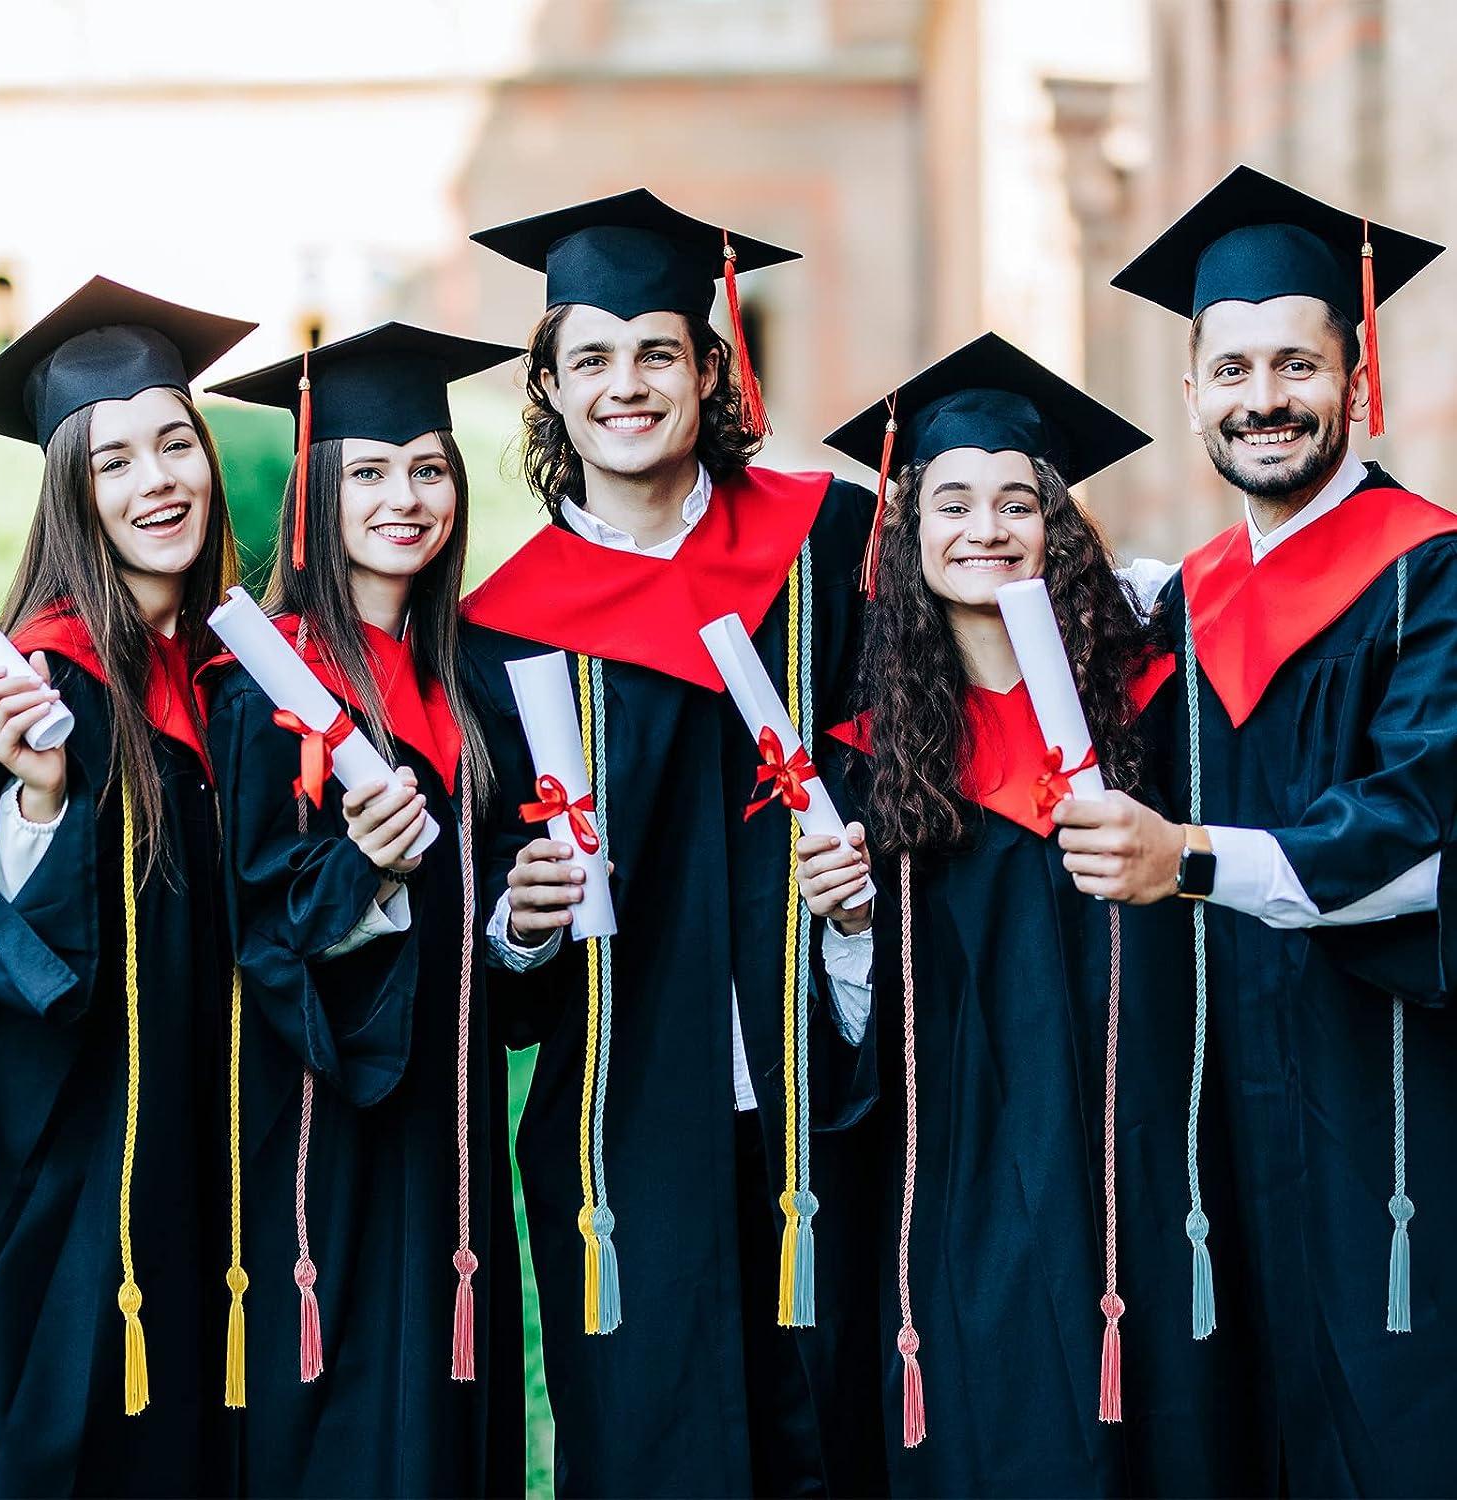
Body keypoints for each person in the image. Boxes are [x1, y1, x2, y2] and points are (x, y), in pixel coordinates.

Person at [461, 188, 885, 1497]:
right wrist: (520, 919)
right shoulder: (502, 632)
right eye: (591, 357)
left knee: (844, 1437)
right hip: (619, 1137)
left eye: (658, 349)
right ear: (551, 387)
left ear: (712, 368)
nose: (627, 384)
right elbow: (497, 978)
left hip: (836, 1106)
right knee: (652, 1449)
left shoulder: (832, 549)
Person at [1054, 164, 1457, 1496]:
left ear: (1358, 376)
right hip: (1213, 1109)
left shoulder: (1432, 573)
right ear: (1191, 398)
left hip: (1390, 1101)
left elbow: (1416, 832)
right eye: (1231, 371)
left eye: (1297, 363)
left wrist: (1195, 859)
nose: (1265, 398)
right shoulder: (1183, 606)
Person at [803, 332, 1257, 1495]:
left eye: (1019, 501)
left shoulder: (1155, 707)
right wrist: (844, 924)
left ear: (1058, 528)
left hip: (1144, 1143)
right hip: (960, 1164)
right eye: (951, 502)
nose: (987, 528)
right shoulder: (870, 751)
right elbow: (855, 1032)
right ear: (907, 534)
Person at [201, 323, 527, 1498]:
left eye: (430, 469)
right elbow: (250, 927)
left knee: (446, 1402)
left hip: (451, 1118)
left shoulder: (470, 686)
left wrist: (524, 915)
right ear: (313, 497)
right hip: (319, 1119)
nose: (407, 497)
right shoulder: (259, 693)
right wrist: (365, 877)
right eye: (371, 473)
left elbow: (498, 943)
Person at [0, 277, 255, 1495]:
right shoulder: (41, 686)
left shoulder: (237, 680)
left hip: (210, 1168)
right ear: (74, 495)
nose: (159, 480)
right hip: (77, 1186)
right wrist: (36, 797)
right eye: (115, 461)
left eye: (176, 442)